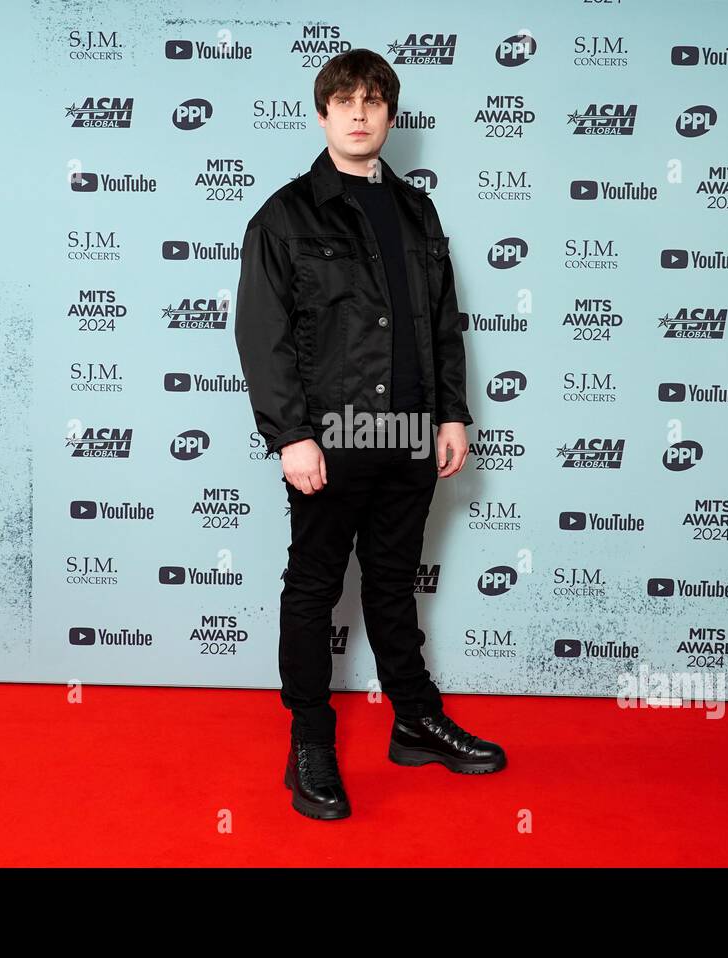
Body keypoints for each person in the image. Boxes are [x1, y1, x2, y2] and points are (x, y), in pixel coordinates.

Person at [234, 49, 507, 821]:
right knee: (315, 586)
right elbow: (263, 335)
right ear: (322, 115)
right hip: (332, 438)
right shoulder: (286, 215)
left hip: (412, 436)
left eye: (374, 101)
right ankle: (310, 742)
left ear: (390, 116)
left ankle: (415, 721)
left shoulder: (418, 212)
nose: (360, 113)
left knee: (392, 584)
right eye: (345, 101)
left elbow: (442, 324)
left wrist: (452, 413)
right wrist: (291, 434)